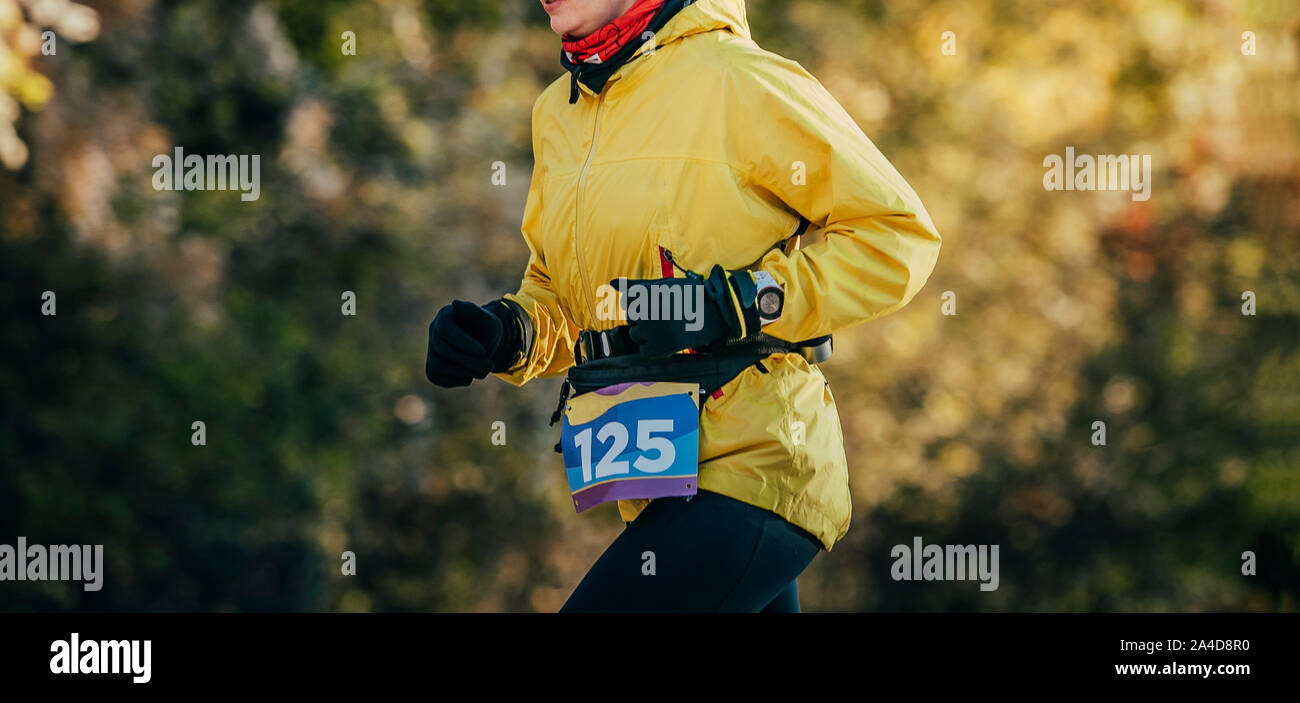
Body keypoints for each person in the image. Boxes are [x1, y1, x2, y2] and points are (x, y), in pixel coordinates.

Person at [425, 0, 941, 612]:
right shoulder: (556, 112)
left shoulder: (737, 79)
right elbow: (581, 305)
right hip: (658, 484)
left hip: (756, 464)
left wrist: (740, 303)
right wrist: (506, 334)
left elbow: (896, 235)